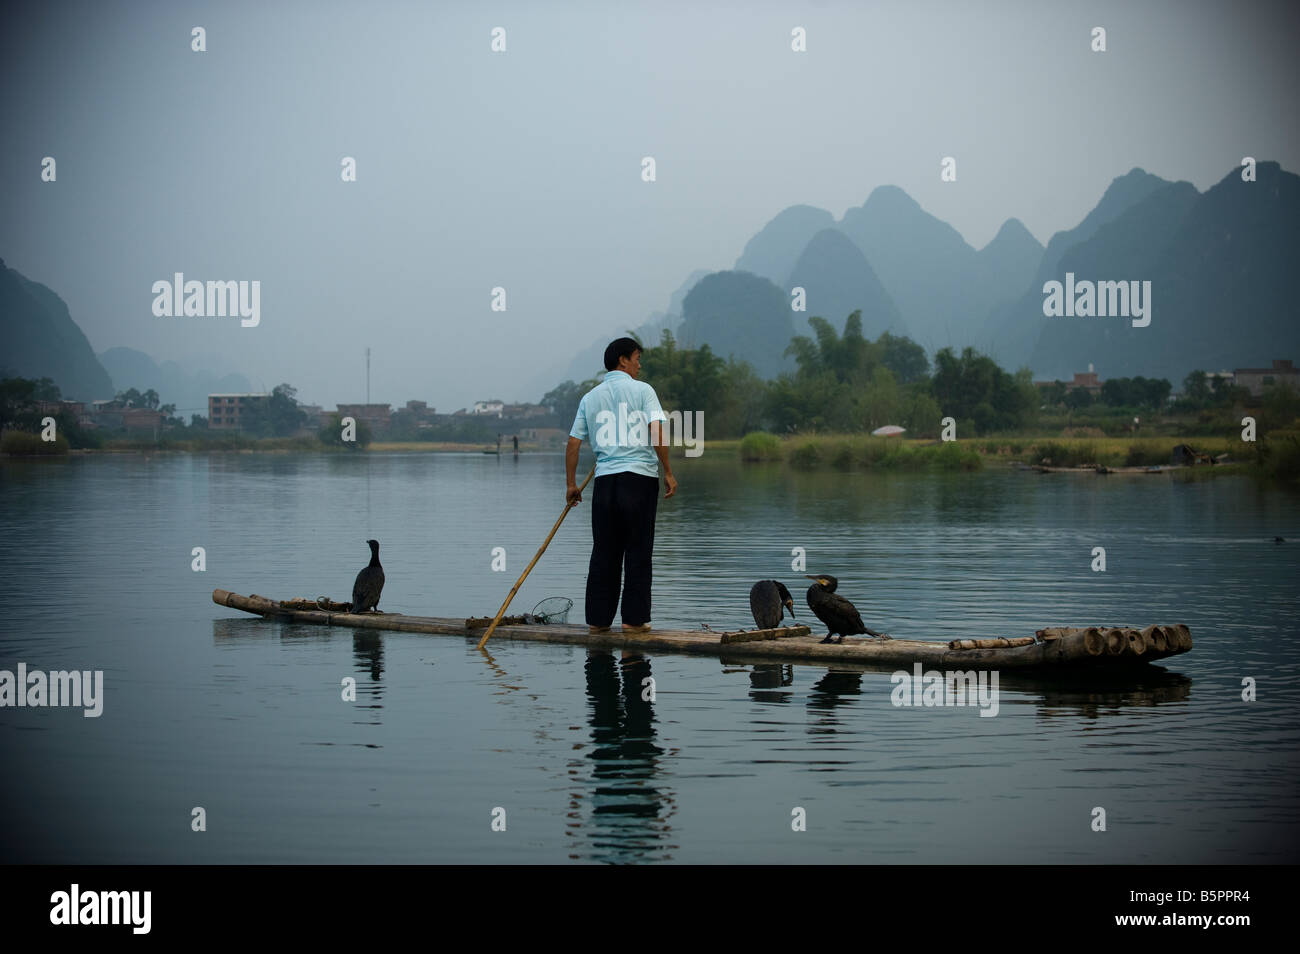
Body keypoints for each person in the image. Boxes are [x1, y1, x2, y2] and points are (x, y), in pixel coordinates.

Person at [566, 337, 678, 634]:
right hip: (638, 480)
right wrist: (667, 471)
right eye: (637, 358)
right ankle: (634, 621)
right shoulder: (643, 391)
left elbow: (574, 444)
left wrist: (571, 484)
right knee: (638, 550)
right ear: (623, 360)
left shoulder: (590, 398)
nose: (639, 365)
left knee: (605, 552)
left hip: (605, 485)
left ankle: (598, 622)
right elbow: (657, 432)